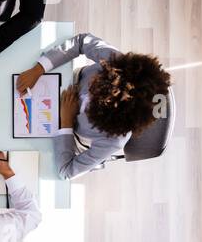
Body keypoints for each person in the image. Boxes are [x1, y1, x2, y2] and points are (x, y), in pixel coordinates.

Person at [16, 33, 172, 179]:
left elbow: (66, 171)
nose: (89, 89)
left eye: (95, 92)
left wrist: (66, 123)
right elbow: (82, 41)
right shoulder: (118, 64)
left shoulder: (113, 140)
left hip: (68, 133)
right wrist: (39, 68)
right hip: (65, 81)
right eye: (98, 79)